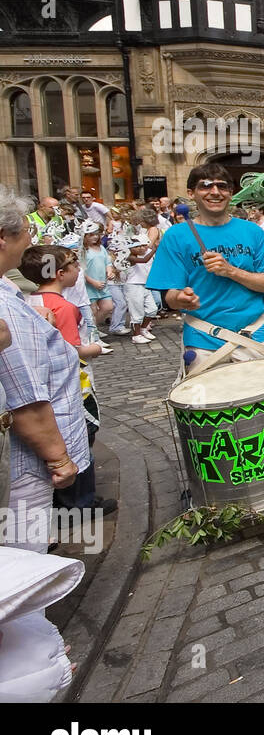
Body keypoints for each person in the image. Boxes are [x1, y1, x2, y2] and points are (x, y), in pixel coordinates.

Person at [0, 188, 88, 552]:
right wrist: (59, 458)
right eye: (25, 230)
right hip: (25, 464)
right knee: (23, 561)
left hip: (24, 461)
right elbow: (24, 396)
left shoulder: (7, 288)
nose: (31, 237)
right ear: (3, 238)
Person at [146, 164, 264, 373]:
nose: (215, 192)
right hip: (203, 339)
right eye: (205, 186)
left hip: (255, 334)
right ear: (191, 193)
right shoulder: (176, 236)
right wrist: (181, 298)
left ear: (231, 193)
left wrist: (231, 271)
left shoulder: (252, 232)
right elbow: (170, 296)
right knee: (208, 405)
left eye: (222, 186)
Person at [18, 245, 111, 515]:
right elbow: (70, 350)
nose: (78, 269)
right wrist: (93, 350)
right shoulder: (65, 307)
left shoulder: (32, 301)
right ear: (60, 273)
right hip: (74, 385)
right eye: (73, 264)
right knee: (82, 436)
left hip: (48, 385)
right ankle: (80, 500)